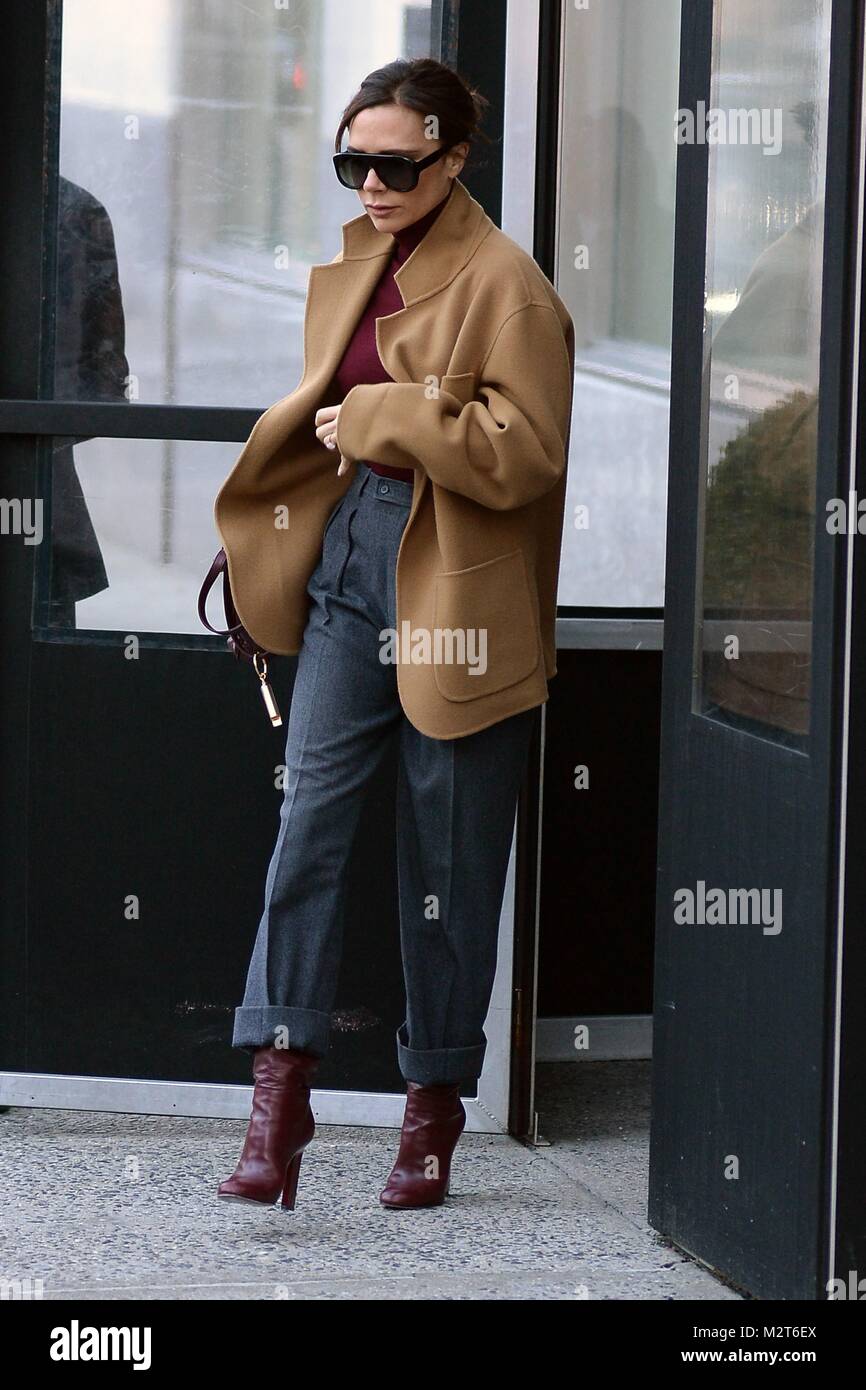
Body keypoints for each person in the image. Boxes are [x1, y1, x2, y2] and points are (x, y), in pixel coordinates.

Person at [214, 57, 575, 1212]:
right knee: (307, 821)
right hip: (355, 560)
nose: (368, 184)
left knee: (447, 851)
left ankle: (432, 1108)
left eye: (395, 165)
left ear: (453, 158)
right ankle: (280, 1088)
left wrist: (381, 412)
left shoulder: (506, 285)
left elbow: (527, 453)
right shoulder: (363, 255)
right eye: (351, 161)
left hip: (457, 577)